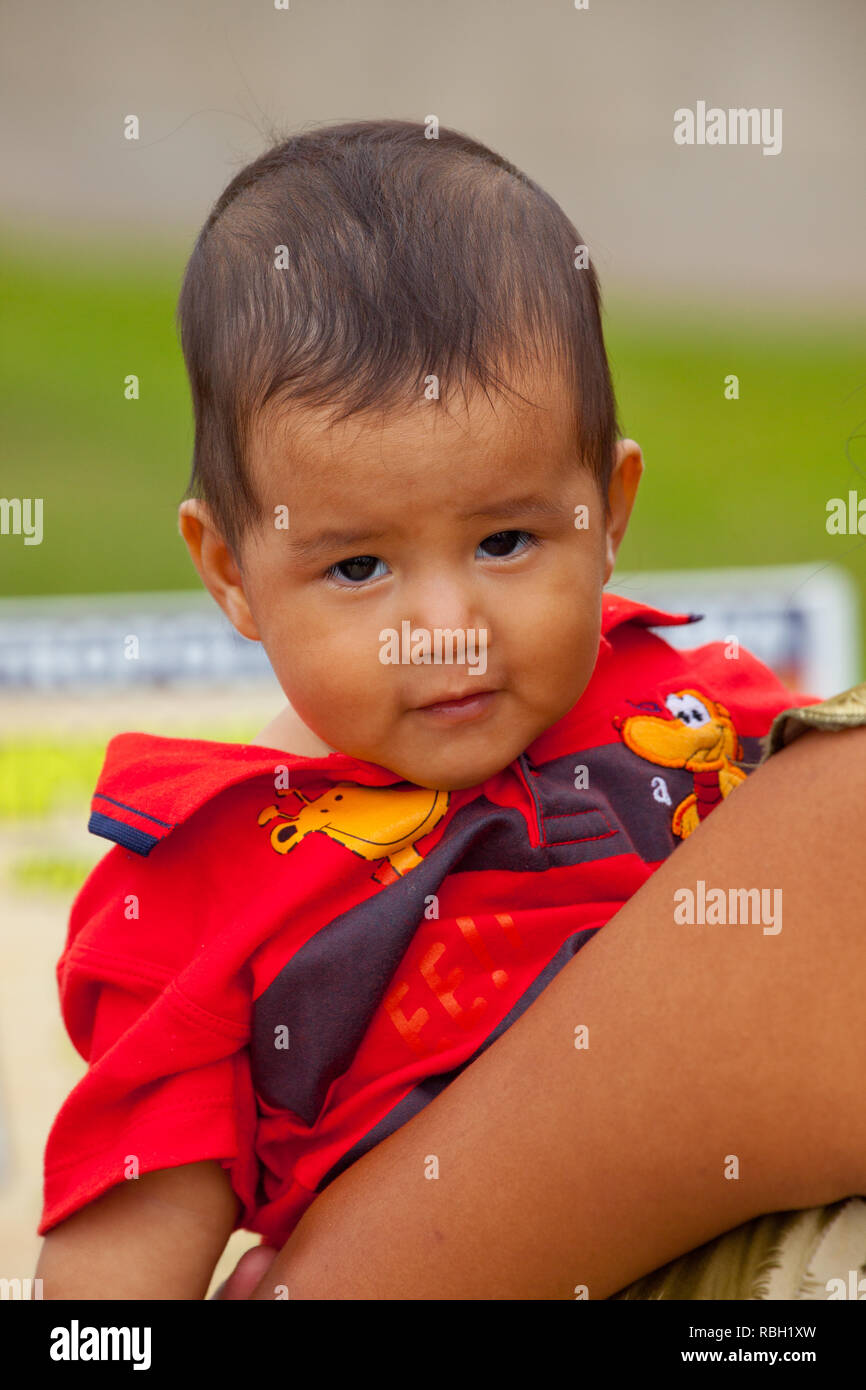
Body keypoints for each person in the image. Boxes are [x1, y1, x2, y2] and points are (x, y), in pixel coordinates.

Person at [32, 118, 843, 1299]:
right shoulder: (199, 878)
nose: (446, 626)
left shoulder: (697, 702)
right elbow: (122, 1254)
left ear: (606, 509)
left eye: (507, 539)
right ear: (228, 573)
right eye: (356, 568)